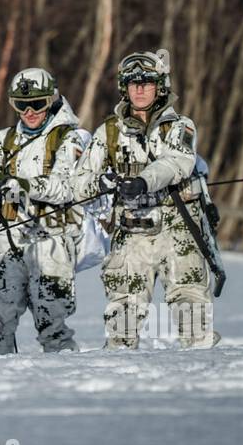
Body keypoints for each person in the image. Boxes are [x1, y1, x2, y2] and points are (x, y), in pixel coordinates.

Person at [75, 51, 217, 349]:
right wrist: (101, 182)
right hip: (130, 235)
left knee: (192, 318)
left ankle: (202, 384)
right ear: (123, 87)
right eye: (132, 83)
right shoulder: (108, 133)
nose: (139, 89)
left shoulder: (179, 126)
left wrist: (142, 181)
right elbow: (79, 183)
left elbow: (178, 163)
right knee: (121, 325)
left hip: (178, 231)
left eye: (147, 82)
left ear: (160, 86)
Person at [0, 68, 107, 353]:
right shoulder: (5, 141)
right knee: (0, 313)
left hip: (53, 239)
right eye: (21, 105)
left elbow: (69, 187)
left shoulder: (72, 139)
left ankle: (58, 381)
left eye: (37, 104)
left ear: (51, 100)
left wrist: (25, 185)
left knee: (51, 319)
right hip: (11, 237)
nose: (29, 112)